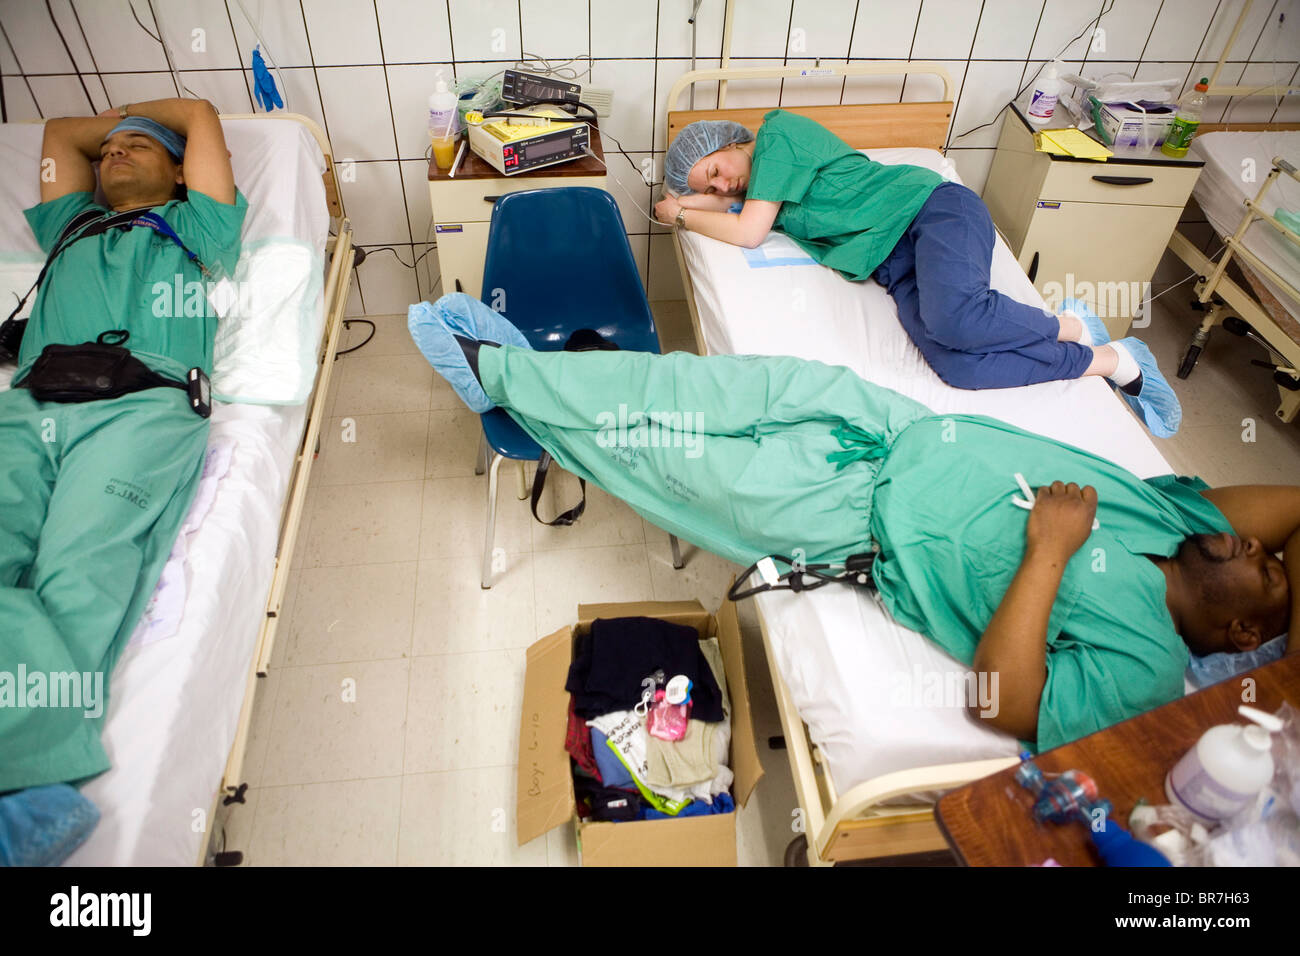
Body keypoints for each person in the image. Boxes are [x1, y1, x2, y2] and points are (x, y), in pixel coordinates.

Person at [410, 293, 1296, 752]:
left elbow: (1002, 704)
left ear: (1243, 629)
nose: (1258, 546)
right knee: (679, 385)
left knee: (663, 453)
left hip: (852, 515)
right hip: (884, 420)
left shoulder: (1145, 666)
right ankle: (522, 382)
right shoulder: (1176, 514)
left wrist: (1049, 555)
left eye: (1271, 569)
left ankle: (514, 383)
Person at [0, 97, 246, 865]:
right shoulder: (71, 221)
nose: (113, 151)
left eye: (139, 146)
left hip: (142, 404)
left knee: (78, 569)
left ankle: (28, 794)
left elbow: (201, 113)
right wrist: (118, 129)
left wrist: (137, 119)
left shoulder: (199, 226)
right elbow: (54, 136)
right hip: (31, 402)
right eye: (107, 149)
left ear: (180, 171)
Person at [652, 111, 1182, 437]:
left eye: (719, 170)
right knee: (959, 368)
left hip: (931, 209)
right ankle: (1105, 358)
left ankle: (1066, 325)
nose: (723, 187)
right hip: (893, 262)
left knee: (957, 320)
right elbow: (720, 203)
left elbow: (746, 232)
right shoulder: (759, 191)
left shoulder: (778, 135)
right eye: (714, 186)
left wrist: (677, 211)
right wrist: (692, 193)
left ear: (728, 140)